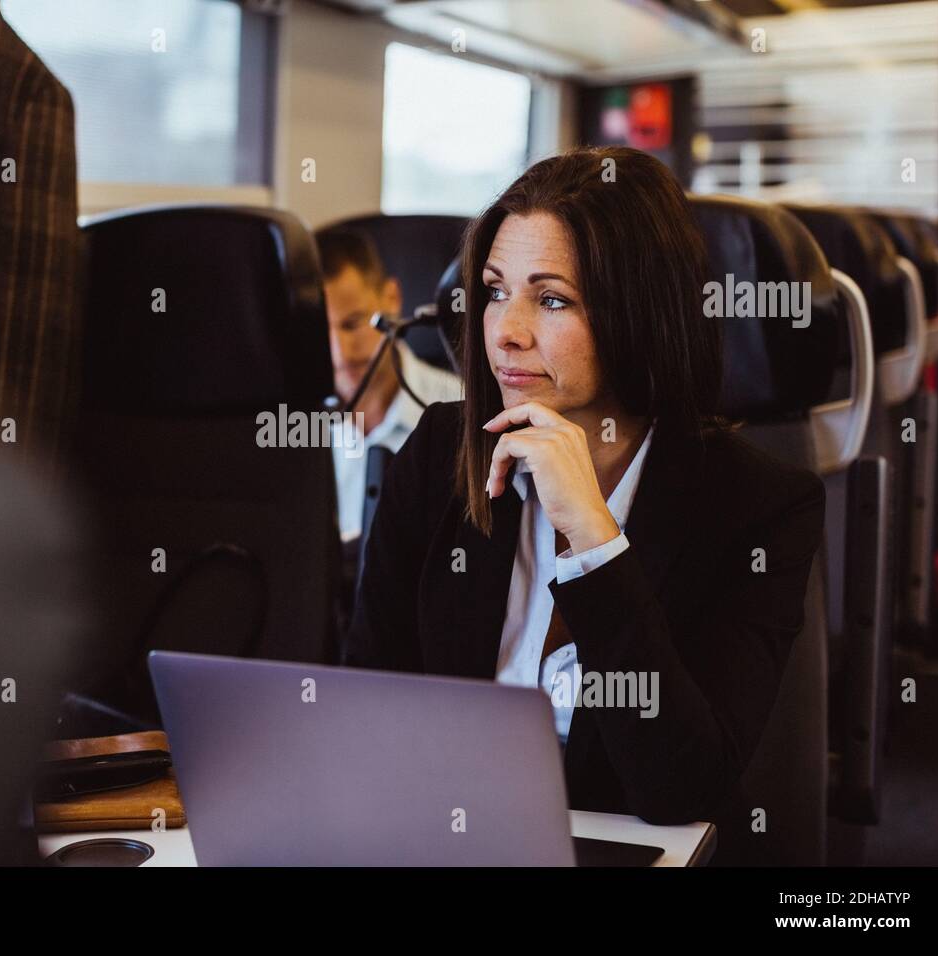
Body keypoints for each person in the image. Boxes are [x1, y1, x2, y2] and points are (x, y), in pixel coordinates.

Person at [343, 147, 825, 845]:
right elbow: (366, 710)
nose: (506, 330)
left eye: (552, 298)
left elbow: (683, 787)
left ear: (638, 312)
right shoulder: (441, 454)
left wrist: (595, 541)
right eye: (494, 289)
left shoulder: (760, 506)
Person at [314, 227, 463, 541]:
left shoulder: (461, 406)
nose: (340, 354)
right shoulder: (298, 424)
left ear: (392, 298)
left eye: (353, 324)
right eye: (320, 330)